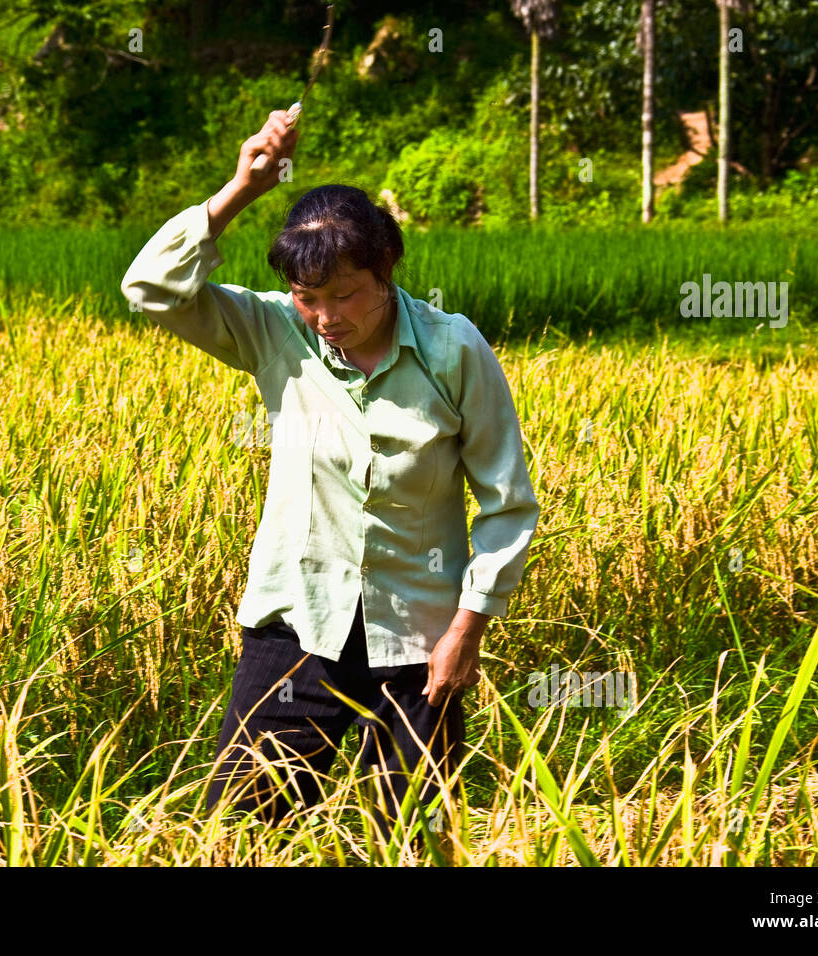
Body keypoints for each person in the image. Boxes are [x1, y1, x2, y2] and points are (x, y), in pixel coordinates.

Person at [120, 109, 540, 843]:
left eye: (345, 295)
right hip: (296, 624)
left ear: (386, 271)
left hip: (418, 641)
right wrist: (240, 190)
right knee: (241, 836)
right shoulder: (274, 332)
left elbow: (507, 503)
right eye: (309, 298)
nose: (326, 317)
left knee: (406, 840)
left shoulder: (453, 350)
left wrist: (468, 628)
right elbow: (151, 289)